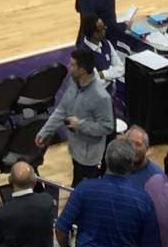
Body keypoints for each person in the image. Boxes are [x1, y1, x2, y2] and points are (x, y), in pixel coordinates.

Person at [34, 48, 115, 184]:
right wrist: (45, 131)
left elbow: (107, 127)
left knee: (81, 189)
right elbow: (62, 109)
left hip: (89, 157)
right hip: (75, 148)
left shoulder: (101, 97)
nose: (68, 66)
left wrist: (80, 125)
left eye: (72, 65)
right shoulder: (73, 81)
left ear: (82, 70)